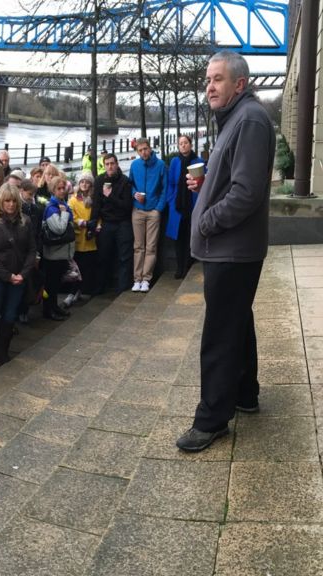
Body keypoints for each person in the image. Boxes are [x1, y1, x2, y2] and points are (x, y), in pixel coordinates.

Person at [176, 51, 275, 452]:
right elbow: (234, 180)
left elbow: (247, 193)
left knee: (218, 333)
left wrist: (206, 219)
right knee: (236, 320)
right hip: (232, 248)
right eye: (207, 80)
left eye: (217, 79)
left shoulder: (248, 119)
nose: (209, 87)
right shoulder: (237, 118)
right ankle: (244, 394)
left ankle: (212, 418)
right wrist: (207, 191)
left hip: (231, 249)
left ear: (240, 83)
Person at [0, 184, 36, 366]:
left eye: (13, 201)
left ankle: (3, 348)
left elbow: (31, 250)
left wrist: (23, 274)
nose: (11, 205)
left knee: (10, 315)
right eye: (7, 201)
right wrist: (7, 275)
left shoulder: (25, 221)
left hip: (18, 276)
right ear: (1, 202)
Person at [91, 154, 134, 294]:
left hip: (123, 222)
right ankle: (100, 287)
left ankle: (123, 287)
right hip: (107, 222)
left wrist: (111, 196)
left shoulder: (125, 181)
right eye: (107, 164)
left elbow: (127, 206)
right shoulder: (99, 180)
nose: (110, 166)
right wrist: (93, 223)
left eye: (112, 163)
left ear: (117, 164)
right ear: (104, 165)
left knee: (124, 256)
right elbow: (96, 204)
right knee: (103, 255)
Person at [129, 138, 166, 293]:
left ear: (150, 148)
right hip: (137, 210)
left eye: (145, 149)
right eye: (140, 150)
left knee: (151, 246)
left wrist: (158, 209)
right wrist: (134, 194)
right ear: (137, 151)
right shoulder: (135, 165)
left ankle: (146, 279)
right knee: (138, 246)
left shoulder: (160, 165)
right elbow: (130, 184)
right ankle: (137, 279)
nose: (143, 152)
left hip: (153, 211)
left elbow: (165, 188)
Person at [41, 176, 75, 320]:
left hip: (62, 253)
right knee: (51, 284)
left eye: (63, 188)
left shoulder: (62, 205)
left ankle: (54, 307)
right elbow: (60, 228)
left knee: (56, 284)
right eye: (59, 189)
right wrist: (65, 213)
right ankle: (48, 310)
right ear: (53, 190)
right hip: (53, 254)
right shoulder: (52, 208)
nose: (62, 191)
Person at [165, 134, 199, 278]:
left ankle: (187, 267)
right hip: (178, 206)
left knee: (190, 238)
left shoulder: (198, 161)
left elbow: (201, 183)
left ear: (190, 144)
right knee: (178, 239)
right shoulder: (175, 162)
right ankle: (179, 268)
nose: (183, 145)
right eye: (180, 143)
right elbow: (171, 183)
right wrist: (171, 199)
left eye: (185, 142)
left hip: (192, 205)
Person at [68, 172, 99, 300]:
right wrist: (81, 222)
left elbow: (97, 213)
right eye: (82, 182)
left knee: (88, 267)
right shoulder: (74, 199)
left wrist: (98, 225)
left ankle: (83, 290)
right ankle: (74, 291)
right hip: (79, 236)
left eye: (87, 182)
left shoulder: (94, 199)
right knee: (77, 267)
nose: (84, 184)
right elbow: (71, 215)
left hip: (91, 237)